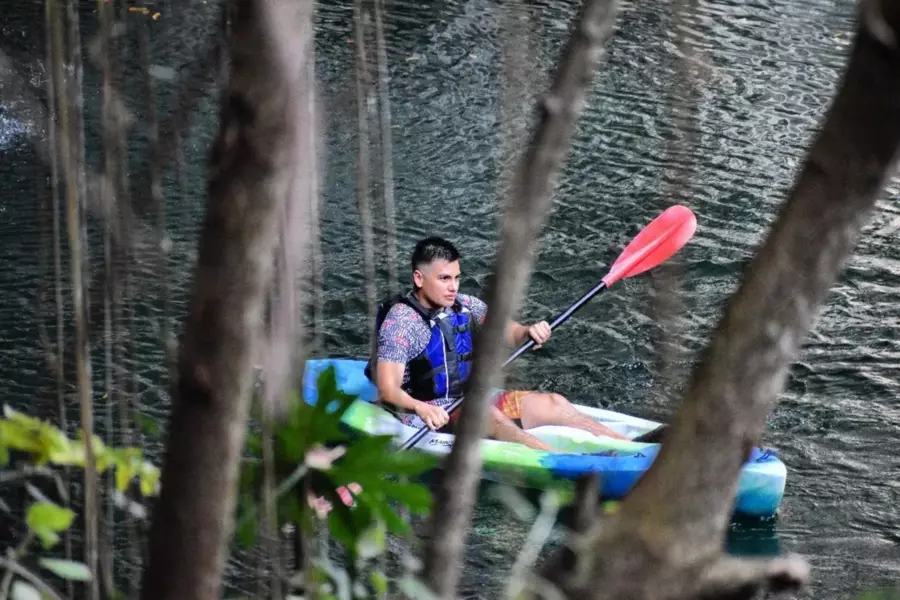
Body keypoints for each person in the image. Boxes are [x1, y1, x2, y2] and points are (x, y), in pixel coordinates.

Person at [366, 236, 629, 452]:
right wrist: (421, 408)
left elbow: (510, 332)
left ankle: (626, 447)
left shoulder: (467, 306)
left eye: (457, 278)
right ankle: (562, 462)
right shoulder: (401, 321)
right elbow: (389, 390)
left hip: (466, 400)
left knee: (553, 402)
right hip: (421, 412)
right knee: (487, 415)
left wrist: (529, 331)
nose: (453, 287)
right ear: (419, 278)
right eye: (444, 278)